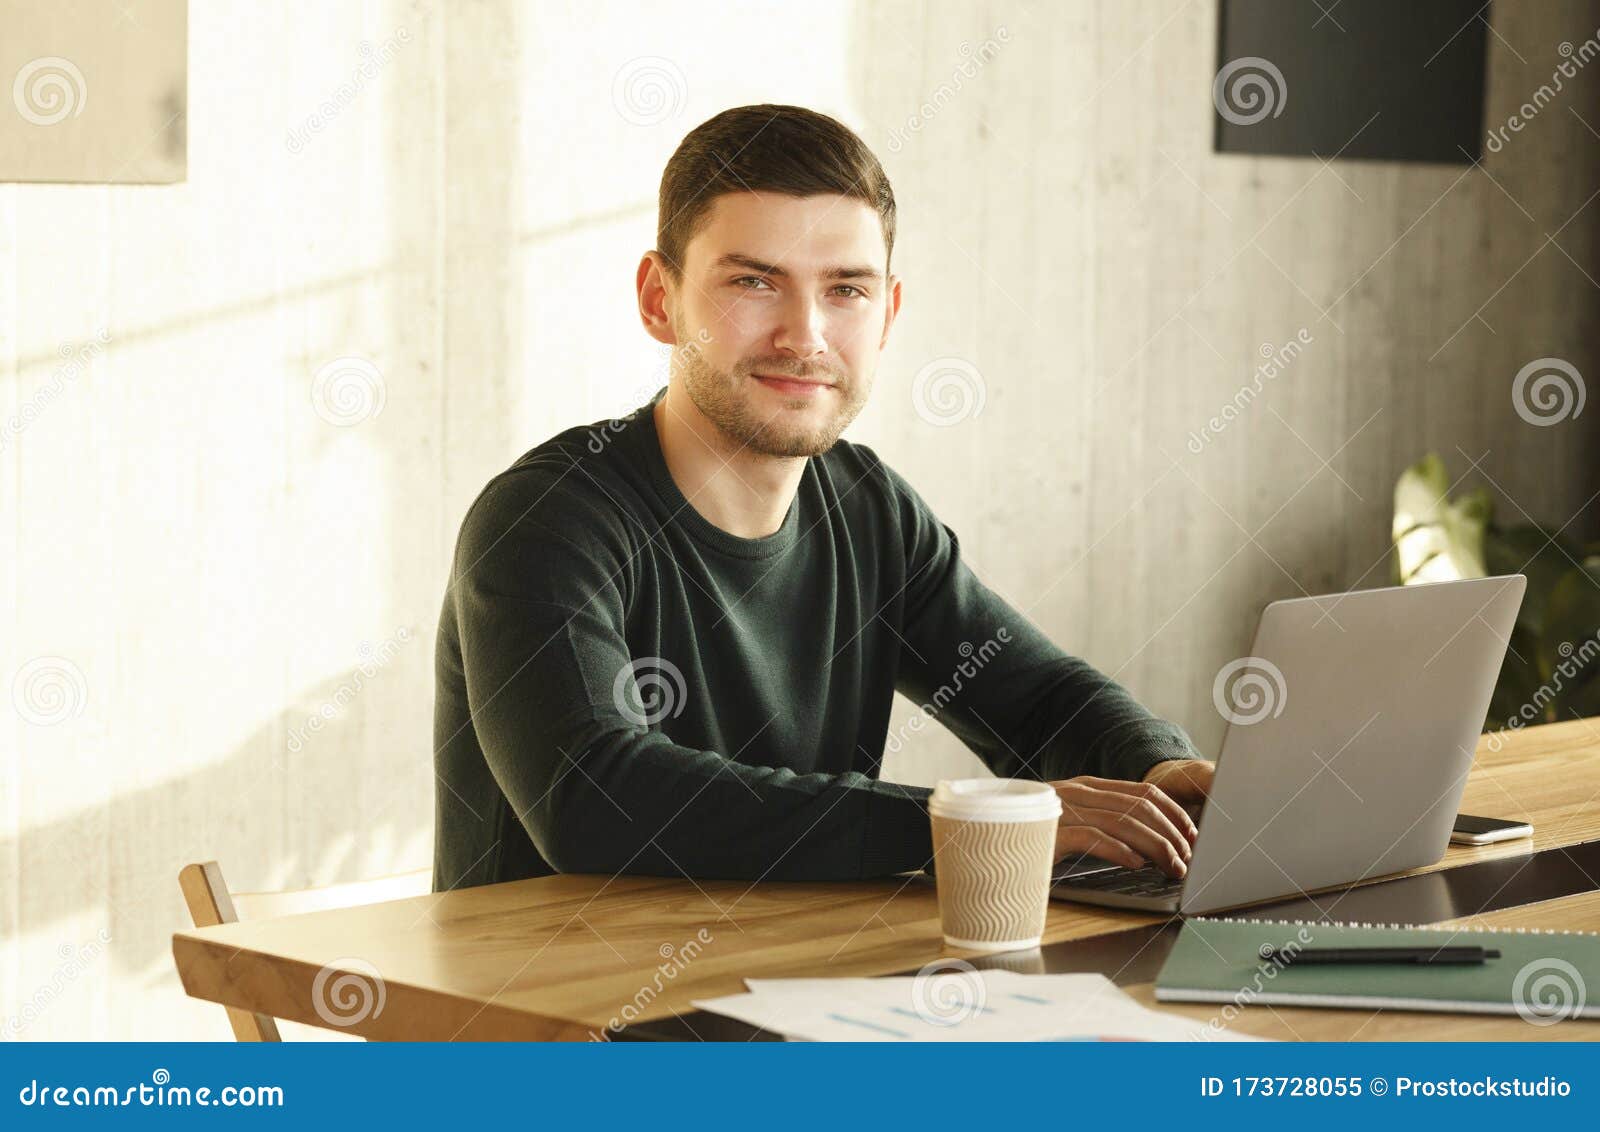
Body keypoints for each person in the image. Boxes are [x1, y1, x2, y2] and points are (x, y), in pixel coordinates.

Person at [432, 104, 1214, 892]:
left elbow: (1041, 700)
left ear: (887, 316)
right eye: (753, 282)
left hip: (791, 992)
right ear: (658, 299)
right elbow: (594, 798)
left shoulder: (870, 511)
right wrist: (969, 827)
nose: (805, 336)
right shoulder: (547, 519)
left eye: (846, 290)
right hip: (548, 1009)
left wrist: (1160, 768)